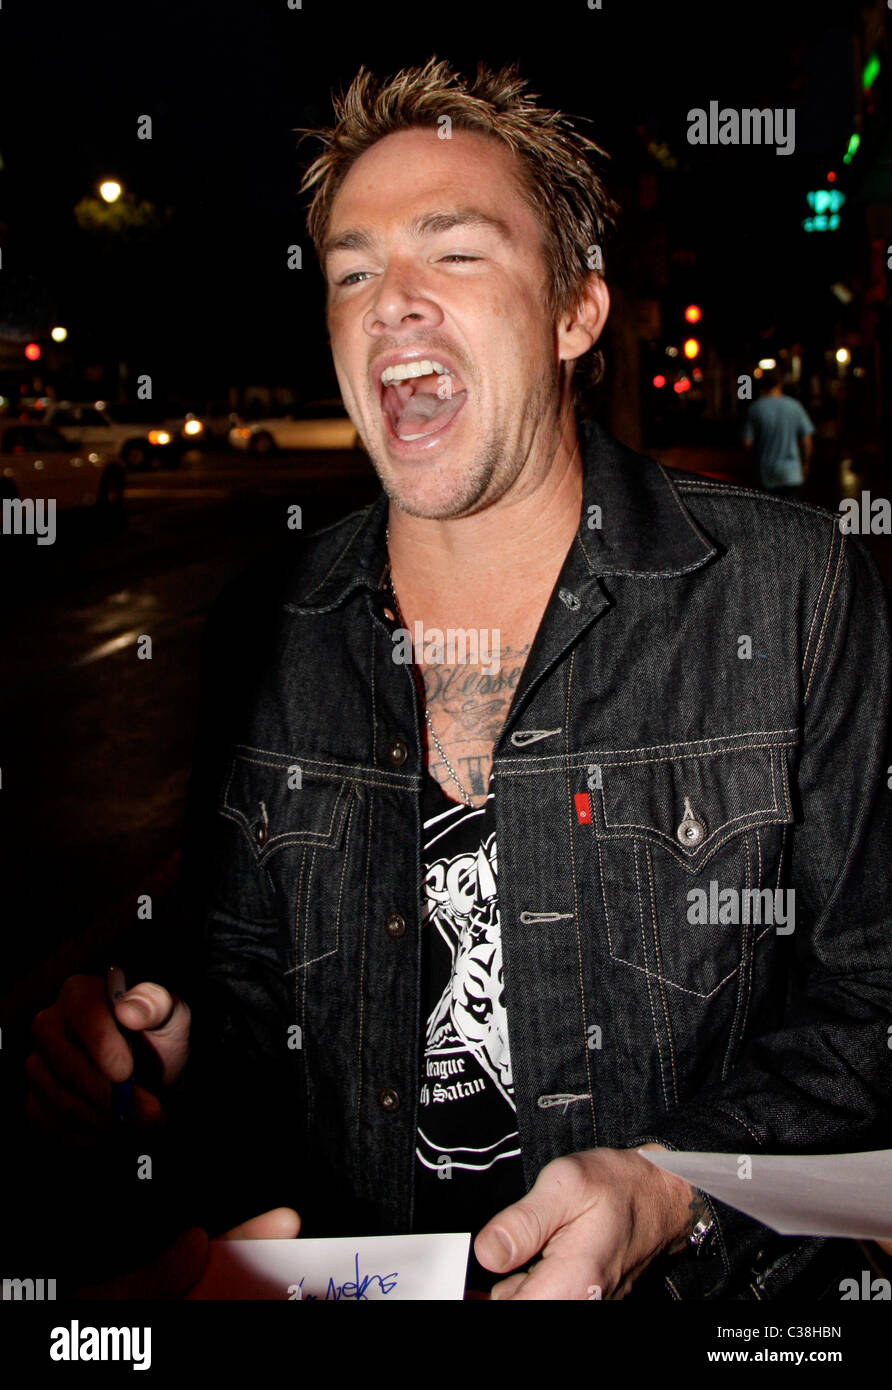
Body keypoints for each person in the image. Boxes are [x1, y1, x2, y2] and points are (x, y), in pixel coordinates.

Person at [25, 58, 892, 1301]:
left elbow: (871, 998)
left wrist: (678, 1183)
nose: (391, 303)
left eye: (457, 252)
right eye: (353, 270)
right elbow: (245, 986)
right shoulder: (267, 624)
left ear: (574, 310)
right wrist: (159, 1053)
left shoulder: (789, 590)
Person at [743, 366, 815, 495]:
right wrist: (806, 465)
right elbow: (807, 441)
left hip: (765, 475)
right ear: (780, 383)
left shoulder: (755, 408)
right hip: (791, 474)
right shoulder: (795, 407)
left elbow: (748, 443)